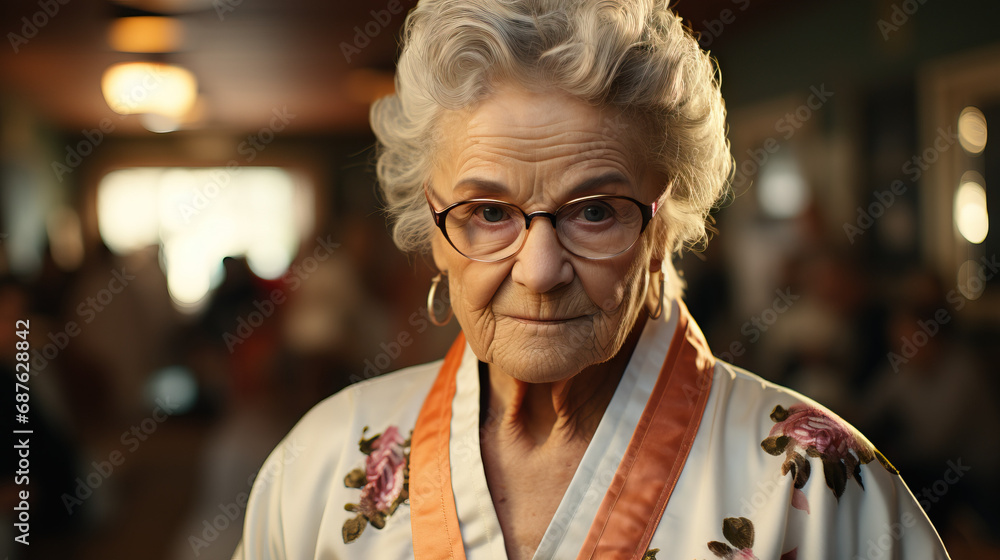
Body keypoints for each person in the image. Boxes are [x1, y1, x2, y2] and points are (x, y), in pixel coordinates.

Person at [233, 1, 950, 558]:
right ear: (434, 227)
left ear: (665, 222)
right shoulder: (317, 467)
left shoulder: (822, 489)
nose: (540, 271)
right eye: (489, 212)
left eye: (595, 211)